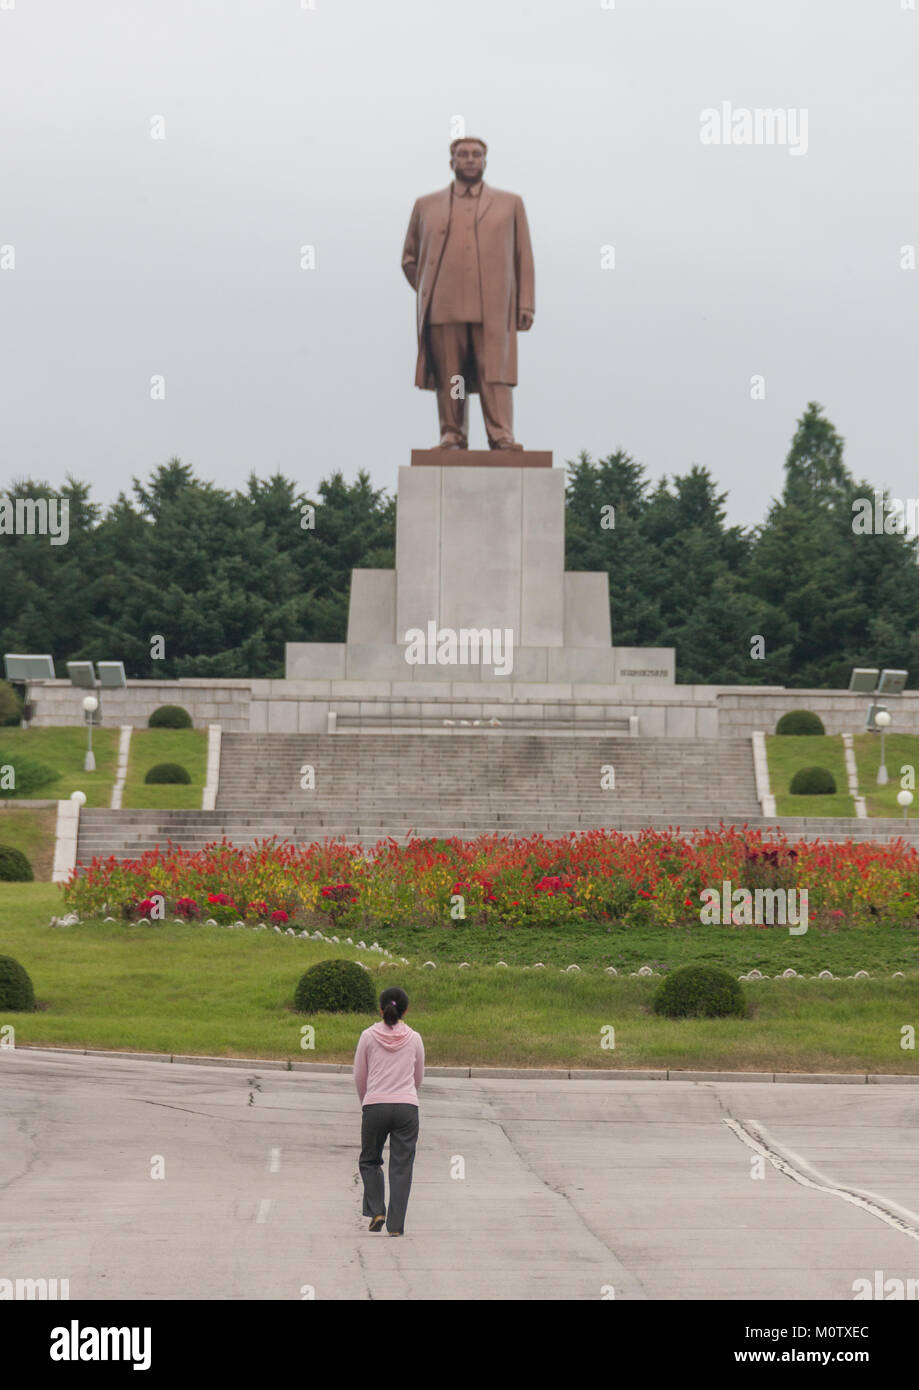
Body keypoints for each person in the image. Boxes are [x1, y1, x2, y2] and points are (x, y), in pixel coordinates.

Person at [401, 136, 535, 450]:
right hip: (443, 308)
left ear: (485, 161)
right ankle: (453, 432)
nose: (470, 160)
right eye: (463, 155)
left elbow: (523, 256)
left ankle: (501, 433)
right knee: (452, 375)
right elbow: (410, 258)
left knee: (495, 373)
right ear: (452, 162)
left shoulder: (509, 203)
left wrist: (525, 302)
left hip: (493, 307)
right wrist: (428, 290)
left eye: (477, 155)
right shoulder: (426, 205)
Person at [354, 986, 425, 1235]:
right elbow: (418, 1077)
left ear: (380, 1008)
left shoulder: (367, 1036)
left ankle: (377, 1210)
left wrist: (368, 1101)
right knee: (401, 1166)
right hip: (407, 1107)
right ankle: (395, 1226)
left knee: (370, 1160)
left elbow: (359, 1075)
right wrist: (406, 1094)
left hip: (375, 1105)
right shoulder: (415, 1038)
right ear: (406, 1010)